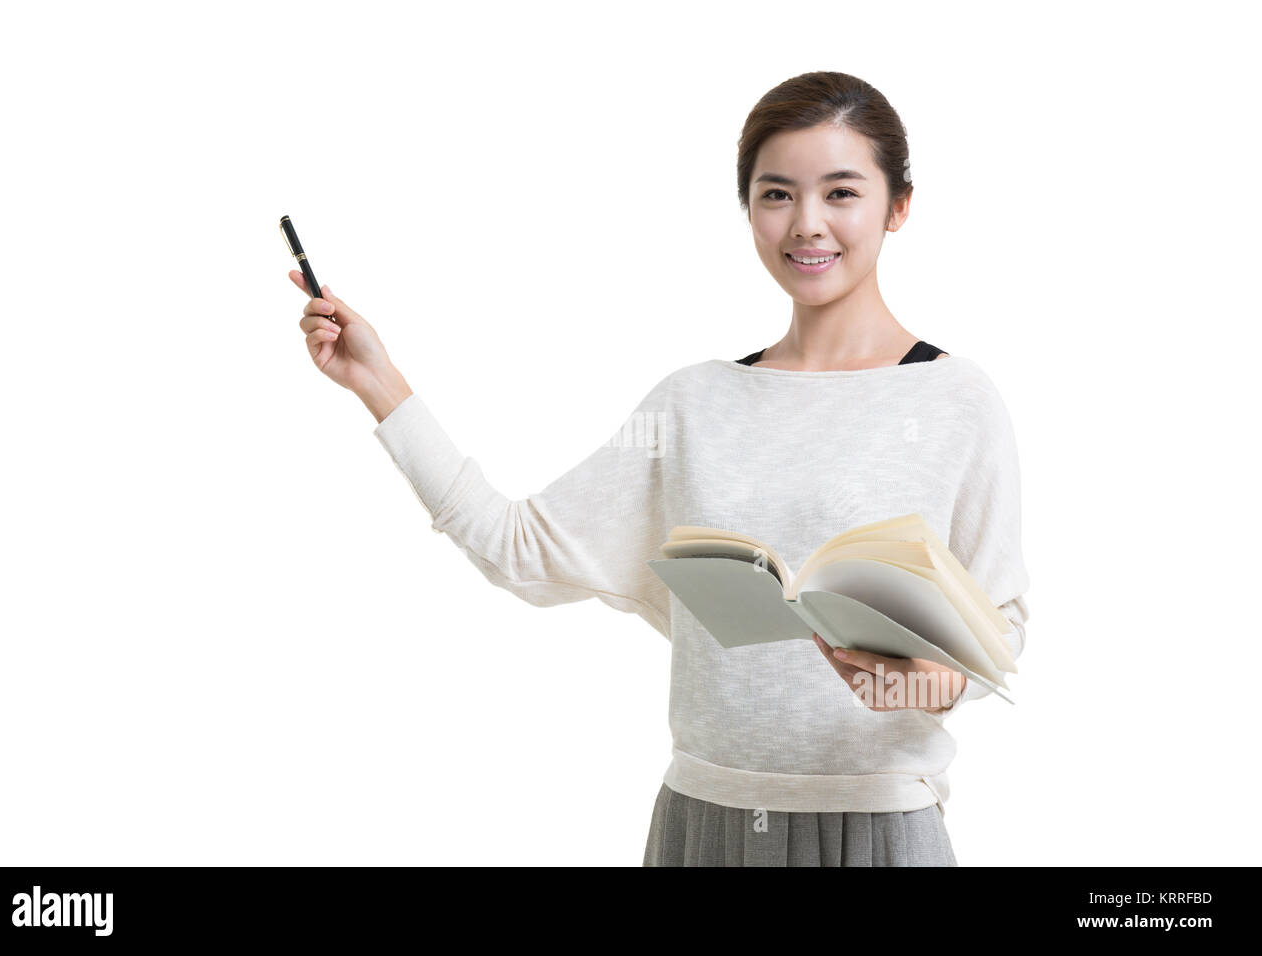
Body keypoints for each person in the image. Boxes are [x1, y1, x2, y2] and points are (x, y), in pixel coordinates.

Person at [289, 70, 1029, 867]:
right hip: (702, 825)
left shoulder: (958, 400)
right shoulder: (689, 404)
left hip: (881, 831)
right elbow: (518, 546)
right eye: (777, 194)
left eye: (841, 193)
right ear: (748, 209)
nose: (807, 224)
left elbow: (999, 641)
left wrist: (913, 685)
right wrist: (378, 382)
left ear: (899, 206)